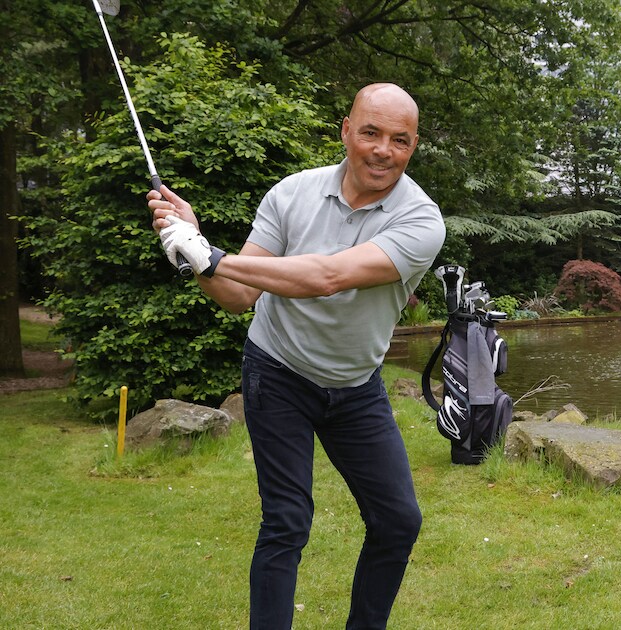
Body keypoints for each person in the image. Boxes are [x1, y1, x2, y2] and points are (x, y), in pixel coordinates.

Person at [148, 83, 444, 629]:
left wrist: (209, 254)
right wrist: (190, 251)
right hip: (277, 372)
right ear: (346, 132)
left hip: (355, 386)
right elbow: (239, 296)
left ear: (413, 146)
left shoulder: (422, 221)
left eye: (399, 140)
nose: (383, 150)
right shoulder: (292, 193)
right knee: (286, 521)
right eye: (371, 133)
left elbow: (327, 277)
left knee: (398, 521)